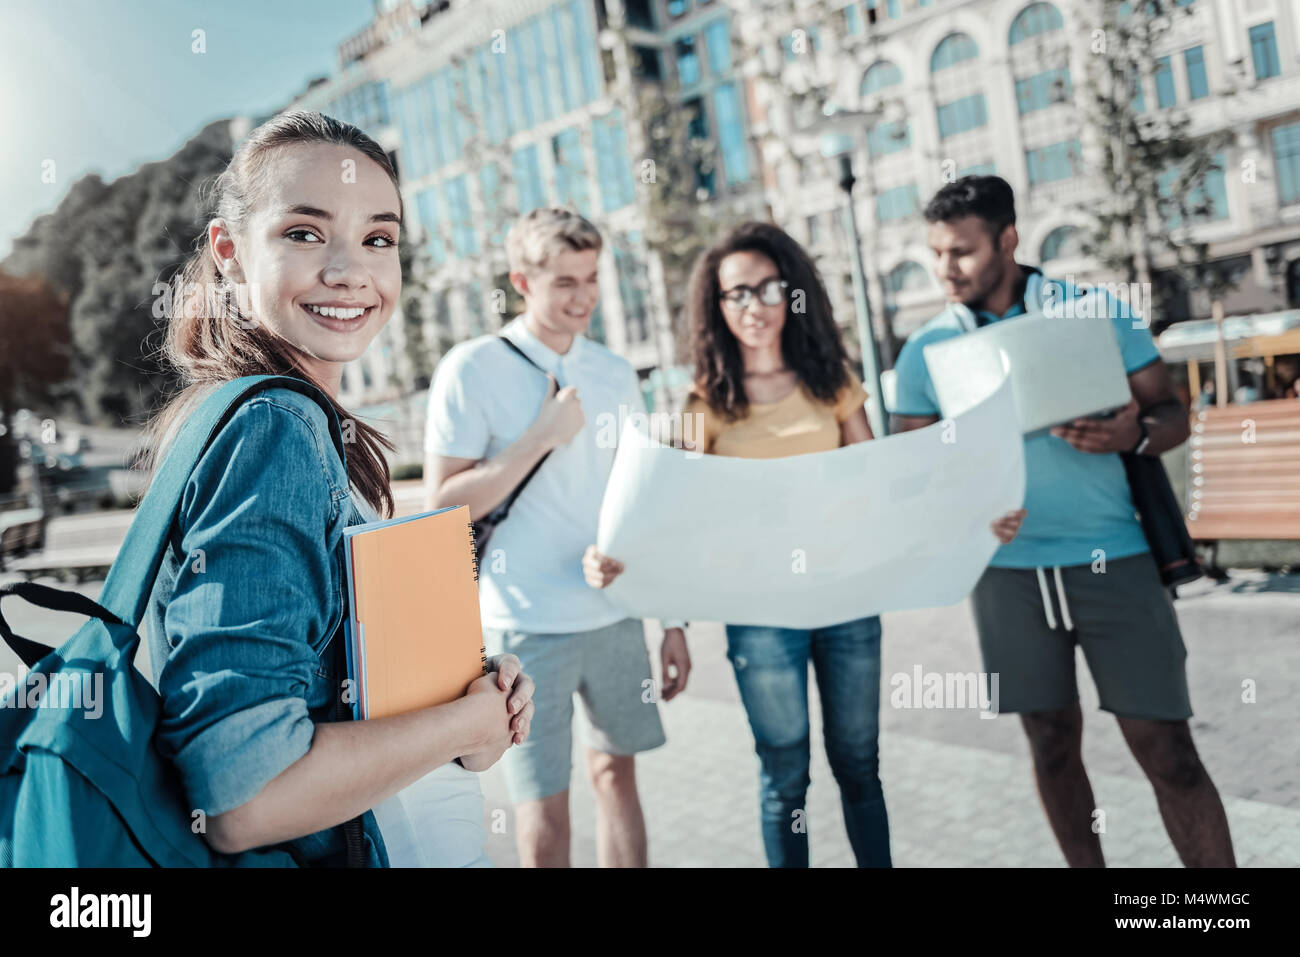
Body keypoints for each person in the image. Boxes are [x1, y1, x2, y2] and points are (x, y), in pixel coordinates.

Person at [143, 111, 534, 867]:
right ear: (228, 253)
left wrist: (467, 705)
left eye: (378, 238)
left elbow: (338, 699)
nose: (350, 270)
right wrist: (465, 724)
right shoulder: (272, 429)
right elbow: (242, 796)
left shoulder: (298, 428)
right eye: (304, 232)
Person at [585, 222, 1023, 868]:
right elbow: (669, 519)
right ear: (718, 306)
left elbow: (886, 489)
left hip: (848, 604)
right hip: (759, 621)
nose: (754, 305)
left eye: (767, 288)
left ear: (791, 293)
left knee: (858, 764)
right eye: (736, 293)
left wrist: (975, 519)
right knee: (784, 774)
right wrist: (659, 611)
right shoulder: (704, 403)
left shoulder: (832, 382)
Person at [892, 175, 1235, 867]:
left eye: (960, 251)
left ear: (1009, 240)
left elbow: (1172, 415)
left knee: (1168, 748)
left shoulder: (1093, 311)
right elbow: (911, 470)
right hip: (1007, 574)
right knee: (1049, 742)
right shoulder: (923, 350)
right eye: (936, 253)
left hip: (1114, 557)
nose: (944, 269)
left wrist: (1130, 434)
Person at [424, 207, 689, 868]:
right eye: (565, 280)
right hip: (522, 625)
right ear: (522, 280)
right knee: (543, 807)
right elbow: (443, 504)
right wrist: (540, 437)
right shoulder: (471, 367)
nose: (583, 296)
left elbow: (641, 497)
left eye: (592, 277)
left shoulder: (615, 371)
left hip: (614, 615)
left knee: (617, 778)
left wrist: (673, 619)